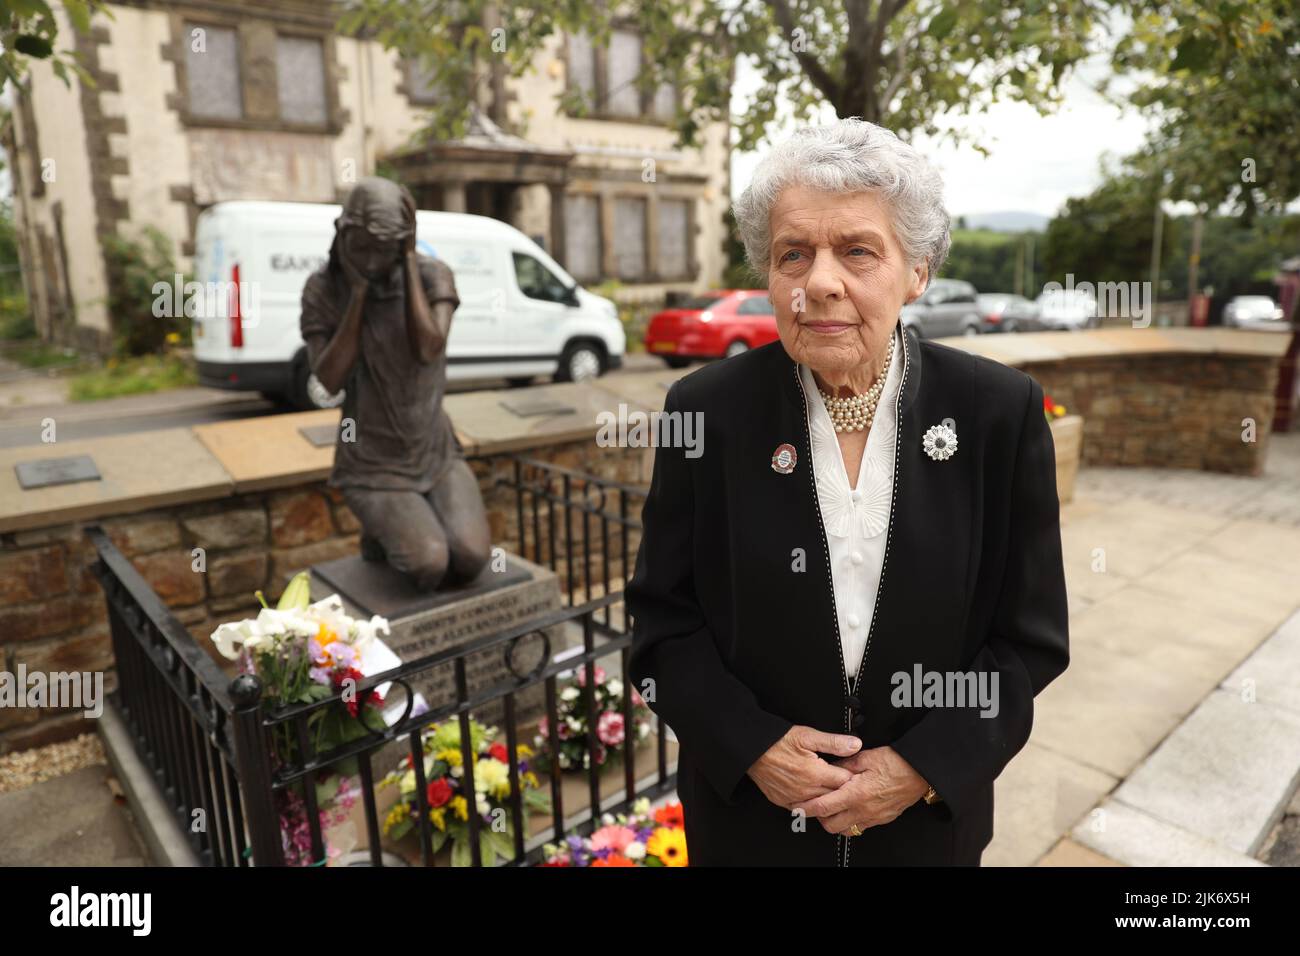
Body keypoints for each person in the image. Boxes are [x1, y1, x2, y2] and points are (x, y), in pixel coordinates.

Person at [625, 118, 1069, 866]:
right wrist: (753, 744)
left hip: (923, 834)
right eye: (792, 254)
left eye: (858, 250)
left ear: (918, 270)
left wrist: (923, 766)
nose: (819, 282)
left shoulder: (998, 412)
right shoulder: (706, 412)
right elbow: (662, 627)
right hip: (750, 831)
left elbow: (1029, 642)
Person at [300, 177, 490, 591]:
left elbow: (429, 347)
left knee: (471, 557)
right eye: (361, 246)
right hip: (371, 464)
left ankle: (392, 531)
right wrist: (358, 295)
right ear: (342, 234)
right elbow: (329, 379)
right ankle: (388, 532)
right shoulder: (322, 289)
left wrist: (406, 262)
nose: (370, 259)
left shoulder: (431, 275)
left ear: (405, 240)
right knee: (428, 562)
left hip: (435, 453)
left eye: (382, 248)